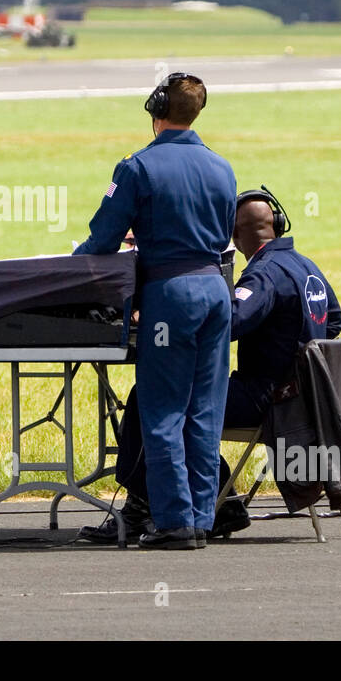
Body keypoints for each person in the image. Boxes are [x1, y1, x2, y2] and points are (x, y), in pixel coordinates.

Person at [81, 187, 341, 543]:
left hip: (266, 398)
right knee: (187, 399)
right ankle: (225, 502)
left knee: (154, 398)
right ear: (277, 224)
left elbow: (229, 321)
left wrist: (177, 315)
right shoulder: (305, 265)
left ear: (233, 237)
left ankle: (139, 508)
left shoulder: (263, 274)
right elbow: (334, 323)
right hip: (301, 397)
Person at [73, 73, 235, 549]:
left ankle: (173, 522)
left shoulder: (137, 168)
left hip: (171, 295)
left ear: (155, 106)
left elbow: (103, 239)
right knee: (205, 412)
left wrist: (70, 266)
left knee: (162, 411)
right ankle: (202, 519)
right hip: (214, 292)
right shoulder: (222, 167)